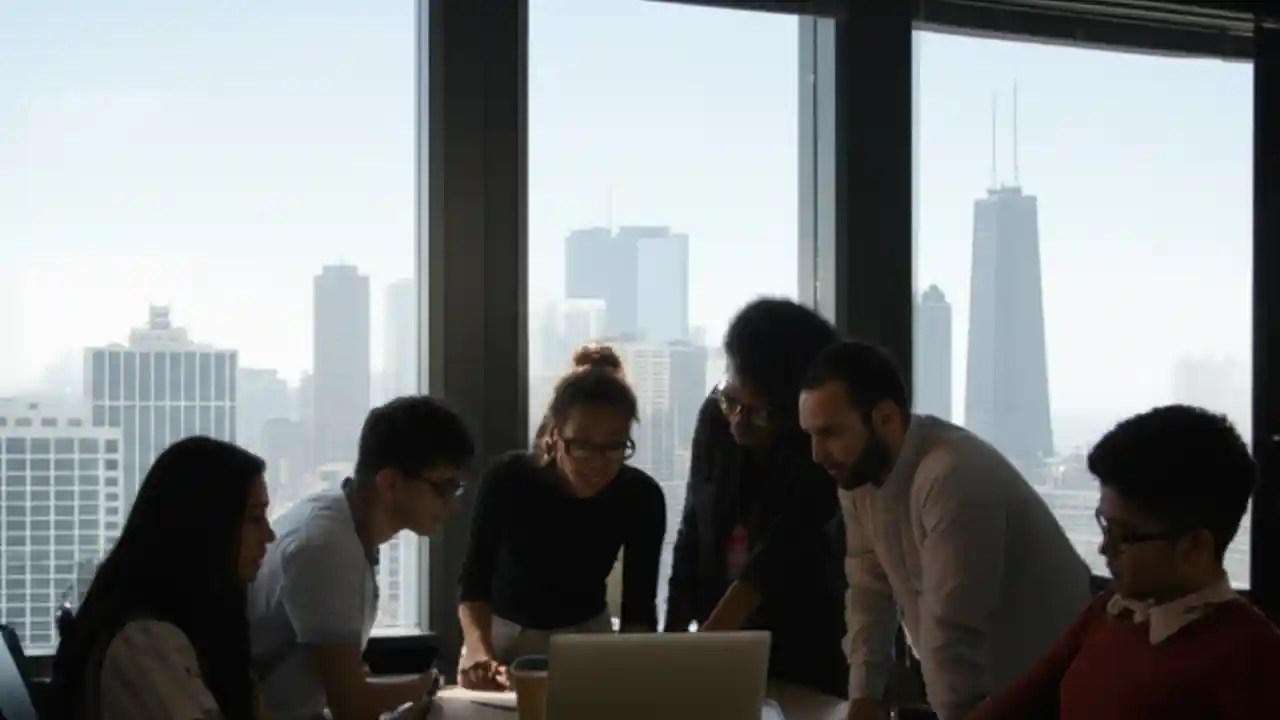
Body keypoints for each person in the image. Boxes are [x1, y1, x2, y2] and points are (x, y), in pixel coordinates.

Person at [798, 340, 1090, 720]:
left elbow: (950, 633)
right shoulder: (858, 478)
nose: (817, 454)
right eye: (811, 436)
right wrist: (864, 699)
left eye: (831, 433)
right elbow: (869, 589)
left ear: (885, 418)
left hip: (1058, 694)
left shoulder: (951, 474)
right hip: (995, 694)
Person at [971, 405, 1280, 719]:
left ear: (1194, 547)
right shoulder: (1109, 613)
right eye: (1105, 526)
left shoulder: (1249, 656)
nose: (1105, 548)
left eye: (1124, 535)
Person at [666, 298, 849, 701]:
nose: (738, 421)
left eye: (761, 413)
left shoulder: (820, 448)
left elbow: (775, 562)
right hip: (720, 641)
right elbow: (694, 526)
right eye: (732, 400)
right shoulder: (715, 418)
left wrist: (695, 656)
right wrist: (671, 642)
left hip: (804, 647)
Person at [248, 396, 474, 720]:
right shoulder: (328, 549)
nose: (453, 505)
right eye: (443, 487)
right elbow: (350, 707)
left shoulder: (340, 523)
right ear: (390, 483)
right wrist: (422, 686)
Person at [457, 345, 665, 690]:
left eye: (613, 447)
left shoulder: (641, 496)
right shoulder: (509, 478)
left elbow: (638, 611)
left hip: (587, 636)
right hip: (501, 635)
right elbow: (474, 583)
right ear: (555, 436)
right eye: (581, 445)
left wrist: (634, 675)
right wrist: (479, 653)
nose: (597, 462)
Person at [50, 437, 276, 720]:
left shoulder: (205, 625)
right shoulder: (145, 645)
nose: (269, 536)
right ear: (206, 527)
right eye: (254, 518)